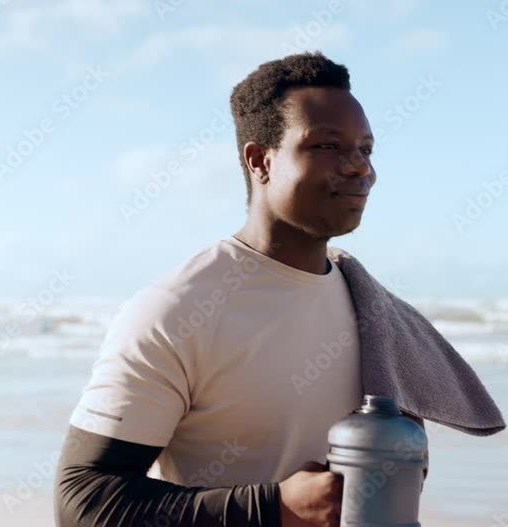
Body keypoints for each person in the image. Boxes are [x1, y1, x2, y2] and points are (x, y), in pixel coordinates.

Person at [55, 51, 419, 527]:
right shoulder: (177, 311)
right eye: (327, 146)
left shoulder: (374, 311)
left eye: (366, 149)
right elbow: (84, 500)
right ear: (260, 160)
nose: (358, 168)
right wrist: (275, 508)